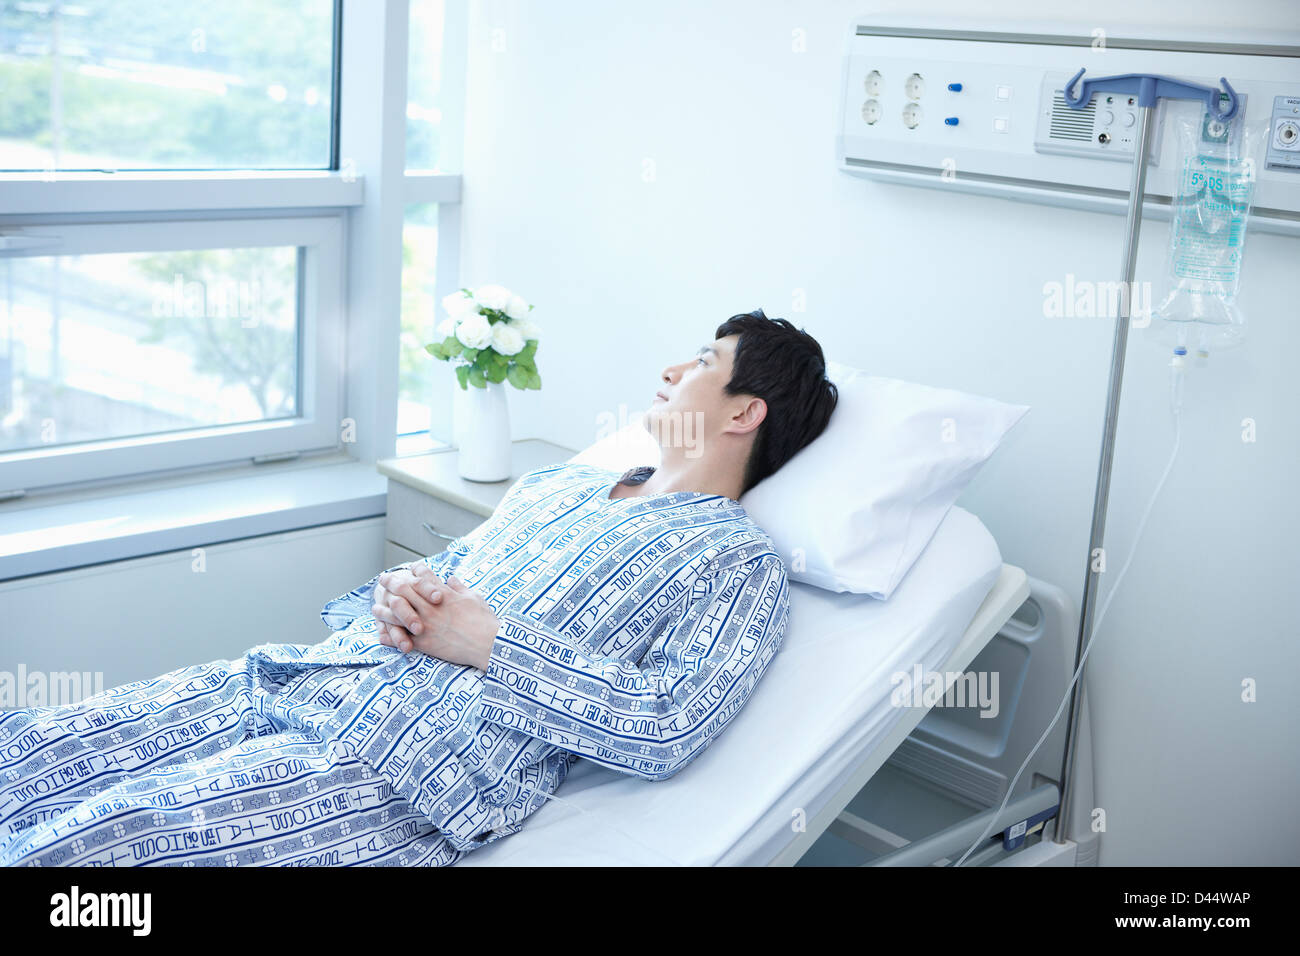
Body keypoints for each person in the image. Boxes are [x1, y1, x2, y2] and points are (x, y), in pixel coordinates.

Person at [0, 309, 838, 867]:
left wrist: (490, 644)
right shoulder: (561, 486)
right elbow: (435, 577)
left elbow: (666, 727)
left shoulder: (735, 561)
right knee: (30, 750)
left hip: (394, 767)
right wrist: (399, 588)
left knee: (92, 854)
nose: (669, 368)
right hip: (291, 680)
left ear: (742, 414)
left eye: (702, 361)